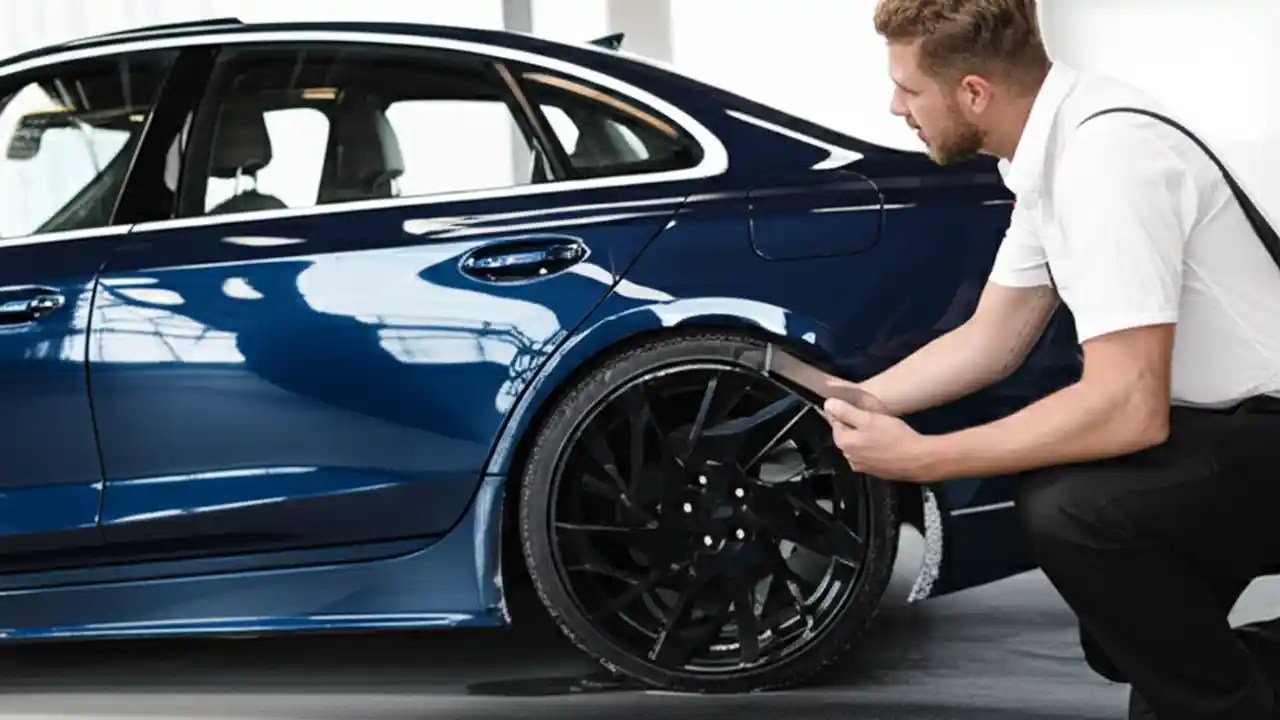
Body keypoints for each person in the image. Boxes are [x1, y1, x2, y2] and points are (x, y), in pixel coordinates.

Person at [822, 0, 1280, 717]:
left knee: (1077, 512)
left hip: (1264, 429)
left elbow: (1129, 408)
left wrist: (921, 459)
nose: (894, 106)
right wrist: (851, 402)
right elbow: (991, 341)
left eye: (909, 89)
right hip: (1231, 431)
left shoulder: (1106, 160)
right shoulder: (1054, 150)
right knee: (1128, 636)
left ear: (974, 91)